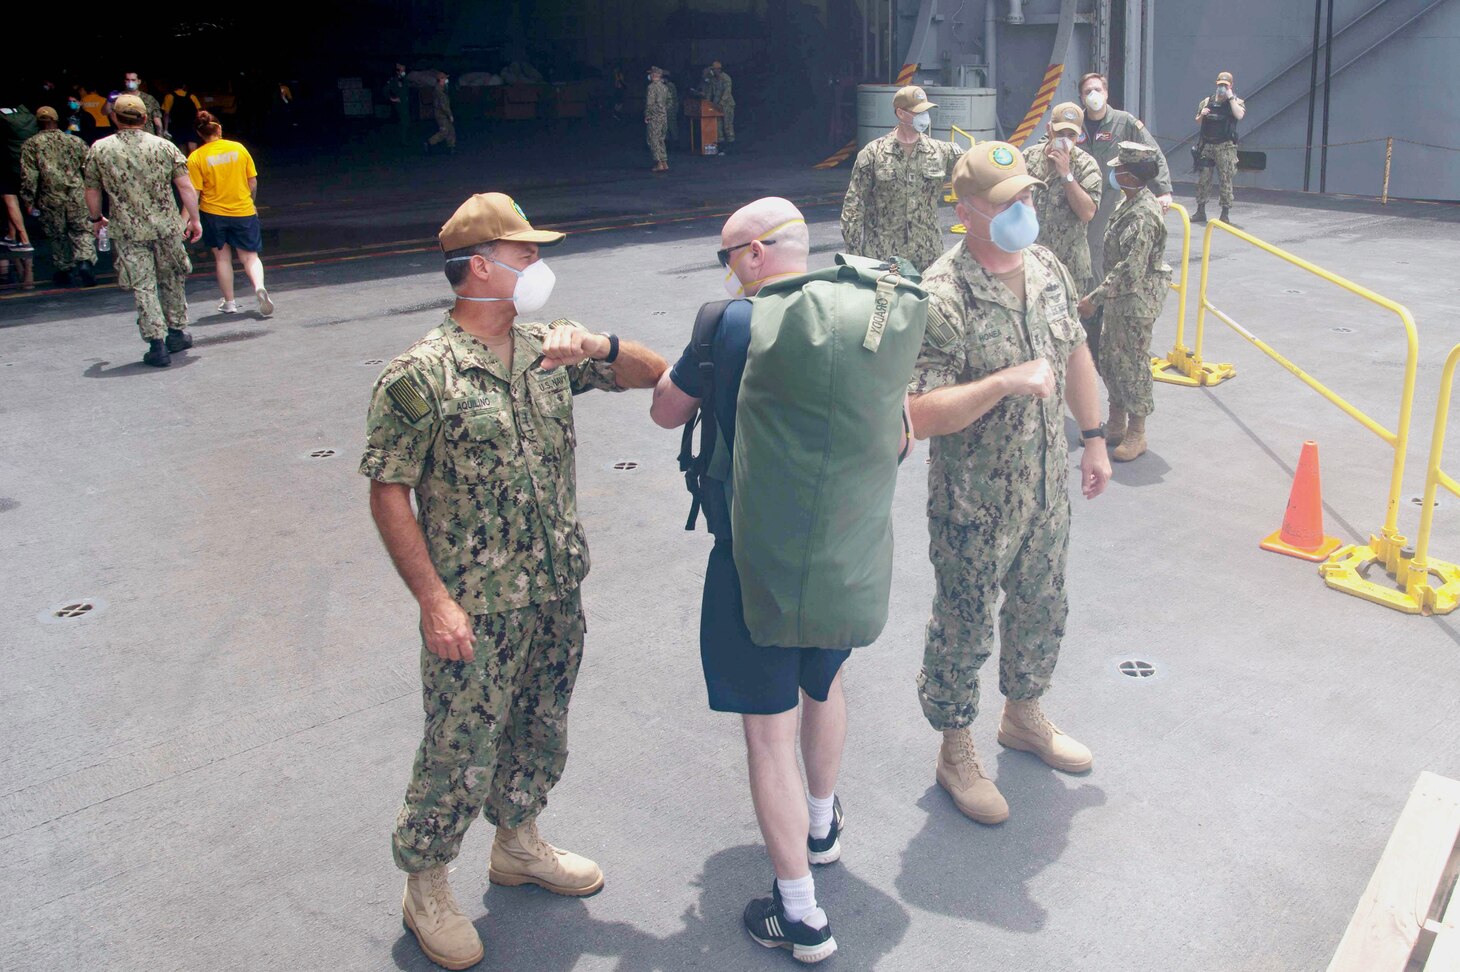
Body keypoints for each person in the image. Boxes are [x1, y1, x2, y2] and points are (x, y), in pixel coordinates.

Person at [362, 192, 667, 971]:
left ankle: (518, 843)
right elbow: (389, 489)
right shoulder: (419, 373)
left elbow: (655, 376)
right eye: (524, 253)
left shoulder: (545, 350)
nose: (538, 265)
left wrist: (596, 345)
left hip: (556, 586)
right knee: (458, 743)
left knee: (539, 723)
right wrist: (435, 600)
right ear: (478, 266)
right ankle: (426, 882)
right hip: (477, 604)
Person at [649, 198, 853, 964]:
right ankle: (824, 823)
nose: (729, 267)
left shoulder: (728, 325)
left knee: (769, 737)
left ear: (757, 254)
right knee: (824, 688)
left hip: (756, 556)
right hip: (838, 551)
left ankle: (801, 915)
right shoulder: (860, 309)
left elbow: (668, 414)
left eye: (729, 254)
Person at [907, 143, 1110, 825]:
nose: (1025, 208)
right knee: (963, 625)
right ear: (965, 211)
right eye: (1007, 202)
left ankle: (1023, 717)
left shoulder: (1047, 266)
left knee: (1040, 606)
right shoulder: (942, 294)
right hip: (975, 505)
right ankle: (955, 750)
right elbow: (918, 414)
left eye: (1026, 196)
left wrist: (1094, 439)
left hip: (1046, 489)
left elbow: (1076, 352)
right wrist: (1002, 382)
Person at [84, 93, 203, 368]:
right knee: (172, 277)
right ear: (146, 118)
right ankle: (176, 333)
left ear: (114, 117)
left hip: (127, 230)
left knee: (144, 286)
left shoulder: (100, 149)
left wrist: (95, 219)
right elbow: (185, 186)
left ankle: (156, 344)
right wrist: (194, 219)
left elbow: (91, 189)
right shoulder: (165, 147)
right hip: (167, 226)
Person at [1078, 142, 1171, 462]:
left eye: (1119, 169)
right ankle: (1116, 423)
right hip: (1120, 297)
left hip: (1135, 299)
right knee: (1112, 359)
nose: (1114, 173)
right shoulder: (1129, 200)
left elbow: (1131, 269)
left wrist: (1094, 298)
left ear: (1131, 175)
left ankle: (1137, 431)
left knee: (1133, 364)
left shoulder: (1143, 213)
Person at [1076, 72, 1171, 369]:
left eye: (1097, 89)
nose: (1093, 94)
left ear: (1106, 93)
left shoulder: (1124, 122)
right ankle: (1086, 341)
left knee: (1105, 265)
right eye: (1088, 90)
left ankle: (1099, 338)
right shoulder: (1073, 122)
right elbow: (1048, 143)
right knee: (1082, 268)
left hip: (1110, 203)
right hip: (1079, 201)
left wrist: (1164, 189)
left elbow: (1151, 153)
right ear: (1081, 96)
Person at [840, 84, 965, 273]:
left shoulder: (942, 152)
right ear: (900, 114)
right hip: (883, 257)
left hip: (928, 257)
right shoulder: (873, 154)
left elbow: (977, 172)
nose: (925, 118)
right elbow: (853, 207)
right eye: (918, 112)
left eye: (926, 112)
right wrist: (855, 258)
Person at [187, 111, 272, 317]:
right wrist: (250, 202)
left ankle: (229, 302)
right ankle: (259, 286)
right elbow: (252, 181)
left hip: (213, 213)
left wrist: (189, 218)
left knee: (222, 259)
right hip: (243, 209)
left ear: (200, 134)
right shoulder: (239, 149)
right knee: (250, 257)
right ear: (219, 129)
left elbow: (194, 192)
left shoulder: (196, 157)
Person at [1023, 101, 1101, 297]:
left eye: (1071, 135)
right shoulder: (1028, 158)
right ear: (1049, 129)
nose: (1065, 140)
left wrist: (1066, 175)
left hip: (1069, 267)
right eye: (1060, 134)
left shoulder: (1086, 165)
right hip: (1030, 263)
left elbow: (1087, 213)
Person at [19, 106, 96, 286]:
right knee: (81, 229)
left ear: (38, 122)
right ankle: (85, 261)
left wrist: (28, 200)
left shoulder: (31, 145)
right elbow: (90, 169)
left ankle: (65, 268)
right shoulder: (74, 141)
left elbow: (29, 176)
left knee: (57, 233)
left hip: (50, 196)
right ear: (56, 120)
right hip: (76, 193)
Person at [1193, 71, 1245, 224]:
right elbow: (1197, 121)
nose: (1222, 88)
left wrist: (1230, 98)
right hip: (1208, 145)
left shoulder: (1235, 102)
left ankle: (1225, 213)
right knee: (1203, 178)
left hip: (1225, 147)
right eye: (1220, 85)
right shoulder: (1207, 101)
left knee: (1225, 179)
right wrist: (1202, 114)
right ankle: (1200, 210)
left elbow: (1239, 115)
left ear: (1231, 86)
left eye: (1225, 85)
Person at [0, 98, 37, 254]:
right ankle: (11, 235)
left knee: (9, 199)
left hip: (7, 164)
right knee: (13, 199)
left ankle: (24, 240)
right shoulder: (26, 115)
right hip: (24, 164)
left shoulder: (3, 119)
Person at [702, 61, 735, 152]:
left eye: (713, 69)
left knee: (727, 125)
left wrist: (721, 102)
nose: (712, 71)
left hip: (726, 105)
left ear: (718, 69)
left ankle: (731, 146)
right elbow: (710, 92)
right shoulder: (713, 79)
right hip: (716, 106)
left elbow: (727, 92)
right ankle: (721, 146)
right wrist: (706, 102)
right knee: (718, 126)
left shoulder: (726, 78)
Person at [162, 83, 203, 153]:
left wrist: (165, 129)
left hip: (177, 126)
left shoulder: (169, 97)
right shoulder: (192, 96)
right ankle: (194, 163)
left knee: (181, 147)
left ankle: (183, 163)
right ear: (184, 86)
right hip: (191, 125)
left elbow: (166, 114)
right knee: (193, 148)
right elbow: (198, 112)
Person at [645, 66, 670, 173]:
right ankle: (664, 162)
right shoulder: (665, 87)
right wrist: (663, 110)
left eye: (651, 73)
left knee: (653, 139)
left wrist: (647, 115)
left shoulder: (651, 87)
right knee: (661, 139)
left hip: (654, 117)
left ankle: (658, 163)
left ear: (654, 75)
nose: (649, 75)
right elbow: (670, 101)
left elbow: (649, 103)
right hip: (663, 117)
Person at [425, 72, 455, 154]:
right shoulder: (439, 91)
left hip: (442, 113)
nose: (446, 80)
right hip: (441, 114)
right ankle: (430, 142)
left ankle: (451, 146)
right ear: (441, 80)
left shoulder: (442, 88)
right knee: (444, 131)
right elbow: (443, 105)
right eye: (445, 78)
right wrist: (450, 115)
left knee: (451, 130)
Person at [385, 63, 411, 146]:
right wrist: (392, 98)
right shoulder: (393, 80)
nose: (403, 72)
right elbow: (385, 90)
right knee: (403, 122)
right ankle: (402, 140)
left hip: (405, 104)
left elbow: (406, 90)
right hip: (399, 105)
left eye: (404, 70)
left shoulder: (405, 79)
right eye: (402, 70)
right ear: (397, 71)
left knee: (406, 122)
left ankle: (404, 139)